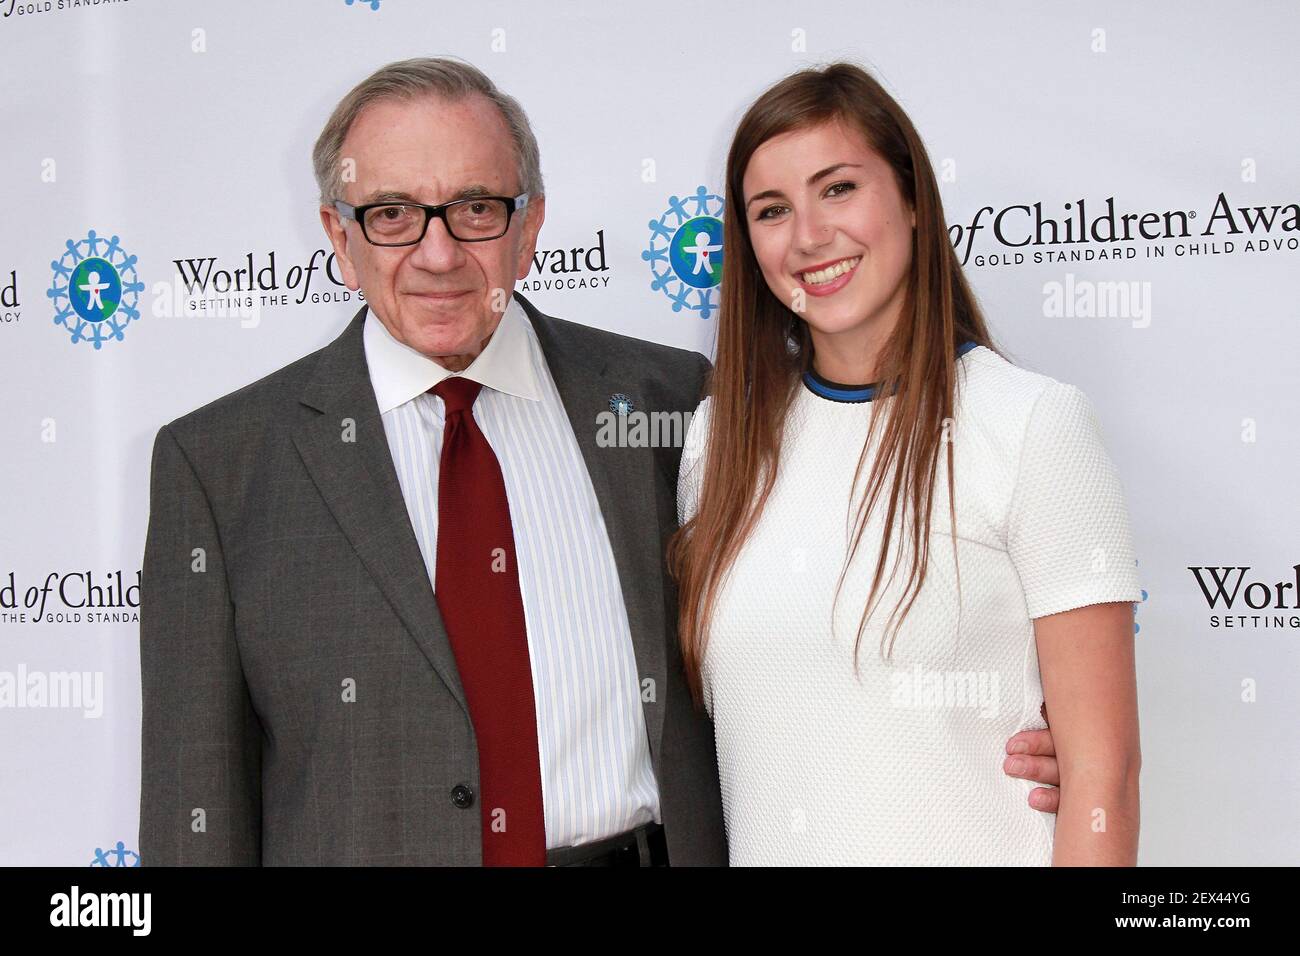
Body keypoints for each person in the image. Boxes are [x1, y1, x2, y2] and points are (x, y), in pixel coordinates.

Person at [139, 57, 1064, 867]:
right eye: (390, 214)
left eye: (474, 208)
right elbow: (196, 804)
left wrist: (1000, 725)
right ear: (338, 237)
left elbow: (809, 622)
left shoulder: (676, 409)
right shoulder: (220, 466)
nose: (437, 252)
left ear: (531, 223)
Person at [671, 63, 1142, 866]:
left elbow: (1105, 779)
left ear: (914, 199)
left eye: (839, 188)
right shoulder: (721, 441)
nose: (809, 235)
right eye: (772, 210)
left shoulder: (1031, 424)